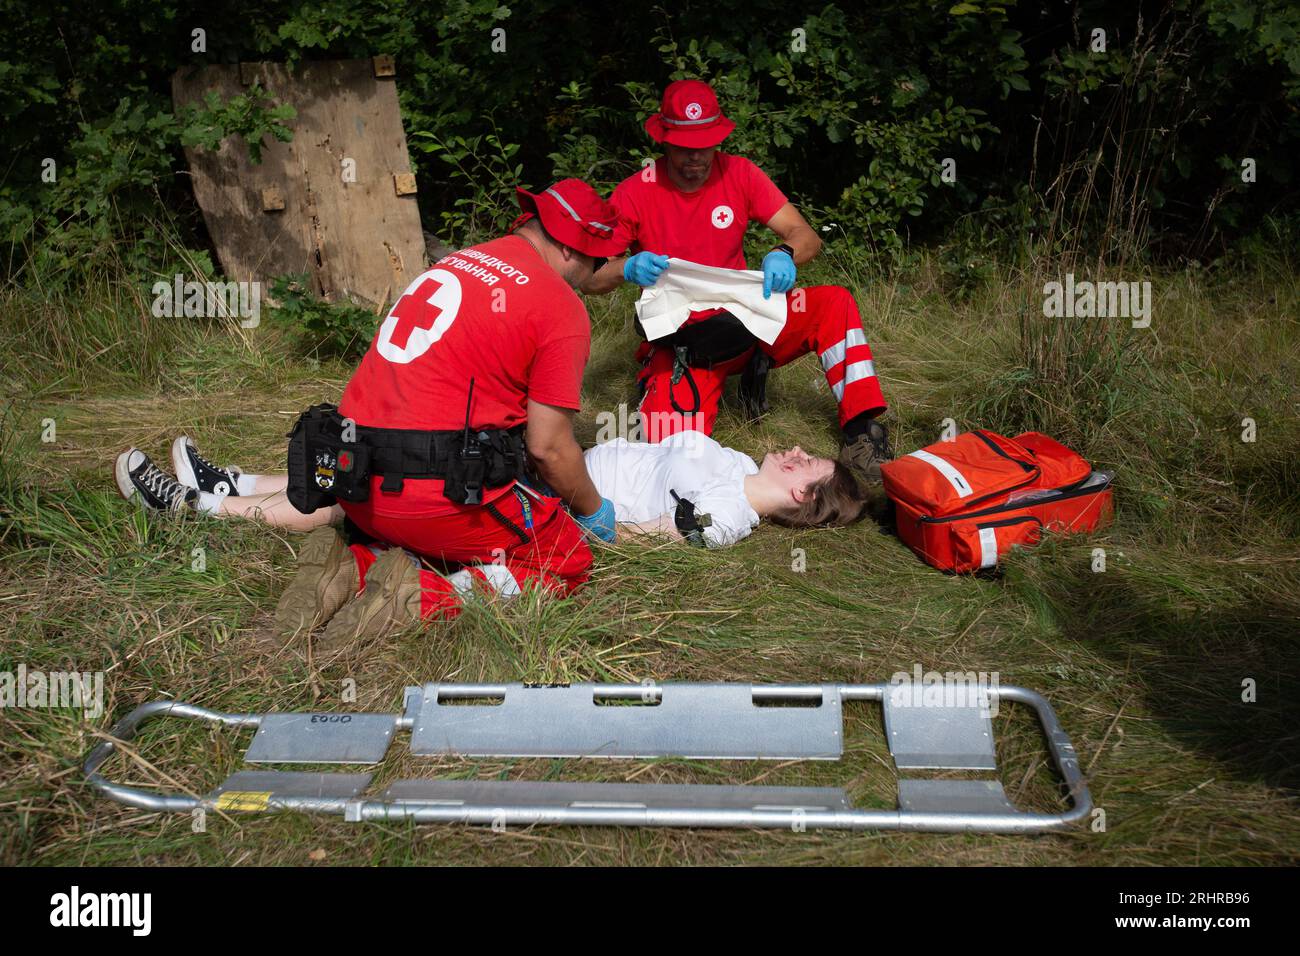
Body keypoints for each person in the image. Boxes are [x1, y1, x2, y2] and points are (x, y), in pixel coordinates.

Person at [117, 179, 626, 653]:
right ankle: (426, 593)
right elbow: (550, 447)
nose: (594, 275)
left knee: (415, 497)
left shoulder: (459, 263)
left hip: (355, 481)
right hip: (430, 497)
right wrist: (590, 510)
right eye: (596, 261)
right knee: (563, 557)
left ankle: (349, 561)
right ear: (568, 247)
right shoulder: (559, 307)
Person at [583, 78, 895, 482]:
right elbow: (591, 278)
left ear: (718, 139)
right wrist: (625, 267)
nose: (695, 158)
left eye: (705, 147)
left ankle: (862, 432)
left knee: (833, 302)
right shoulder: (634, 192)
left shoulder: (739, 173)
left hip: (750, 318)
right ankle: (683, 400)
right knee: (668, 459)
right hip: (686, 342)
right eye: (683, 148)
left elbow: (806, 237)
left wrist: (783, 253)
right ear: (663, 140)